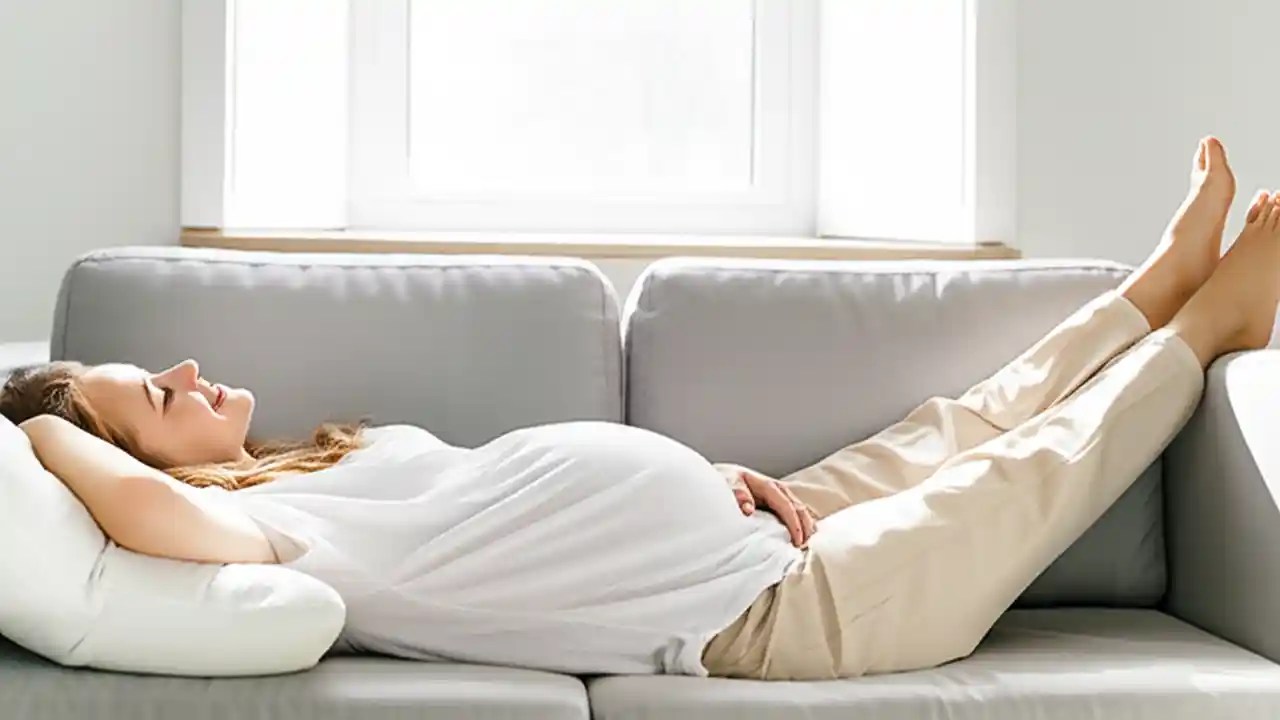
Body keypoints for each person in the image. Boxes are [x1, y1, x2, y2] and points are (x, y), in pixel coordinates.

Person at [2, 138, 1277, 681]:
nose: (181, 372)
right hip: (774, 615)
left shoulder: (316, 462)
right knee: (1027, 471)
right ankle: (1212, 327)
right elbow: (141, 514)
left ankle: (1145, 295)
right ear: (131, 461)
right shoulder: (263, 543)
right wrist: (43, 422)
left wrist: (703, 474)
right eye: (150, 399)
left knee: (953, 426)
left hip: (748, 521)